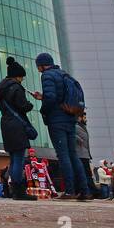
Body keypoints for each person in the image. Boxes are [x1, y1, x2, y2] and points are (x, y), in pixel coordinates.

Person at [31, 53, 91, 202]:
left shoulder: (47, 76)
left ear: (41, 65)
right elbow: (58, 96)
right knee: (73, 155)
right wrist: (43, 96)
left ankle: (70, 190)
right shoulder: (63, 74)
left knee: (62, 155)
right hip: (70, 119)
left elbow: (51, 98)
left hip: (57, 120)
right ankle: (84, 190)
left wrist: (43, 110)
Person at [0, 56, 36, 200]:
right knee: (18, 158)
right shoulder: (16, 87)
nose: (22, 80)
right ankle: (19, 191)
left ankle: (14, 190)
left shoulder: (0, 88)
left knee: (13, 158)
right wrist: (30, 105)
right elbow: (22, 106)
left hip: (5, 123)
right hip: (17, 125)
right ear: (17, 76)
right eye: (21, 77)